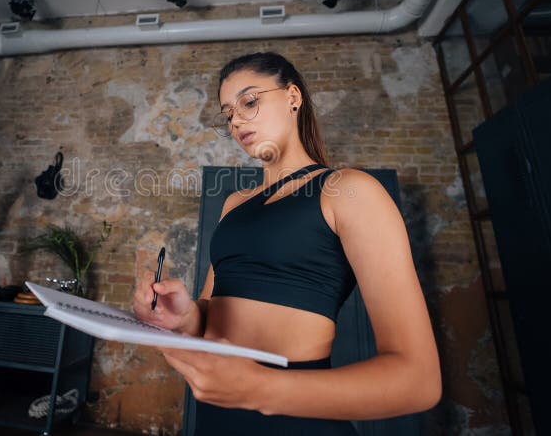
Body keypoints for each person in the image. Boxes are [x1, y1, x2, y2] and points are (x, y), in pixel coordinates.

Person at [133, 52, 441, 435]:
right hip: (215, 420)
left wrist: (261, 388)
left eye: (249, 102)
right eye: (228, 114)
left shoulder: (347, 191)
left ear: (292, 97)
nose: (237, 121)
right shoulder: (234, 204)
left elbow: (419, 380)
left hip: (295, 422)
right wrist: (184, 317)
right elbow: (212, 315)